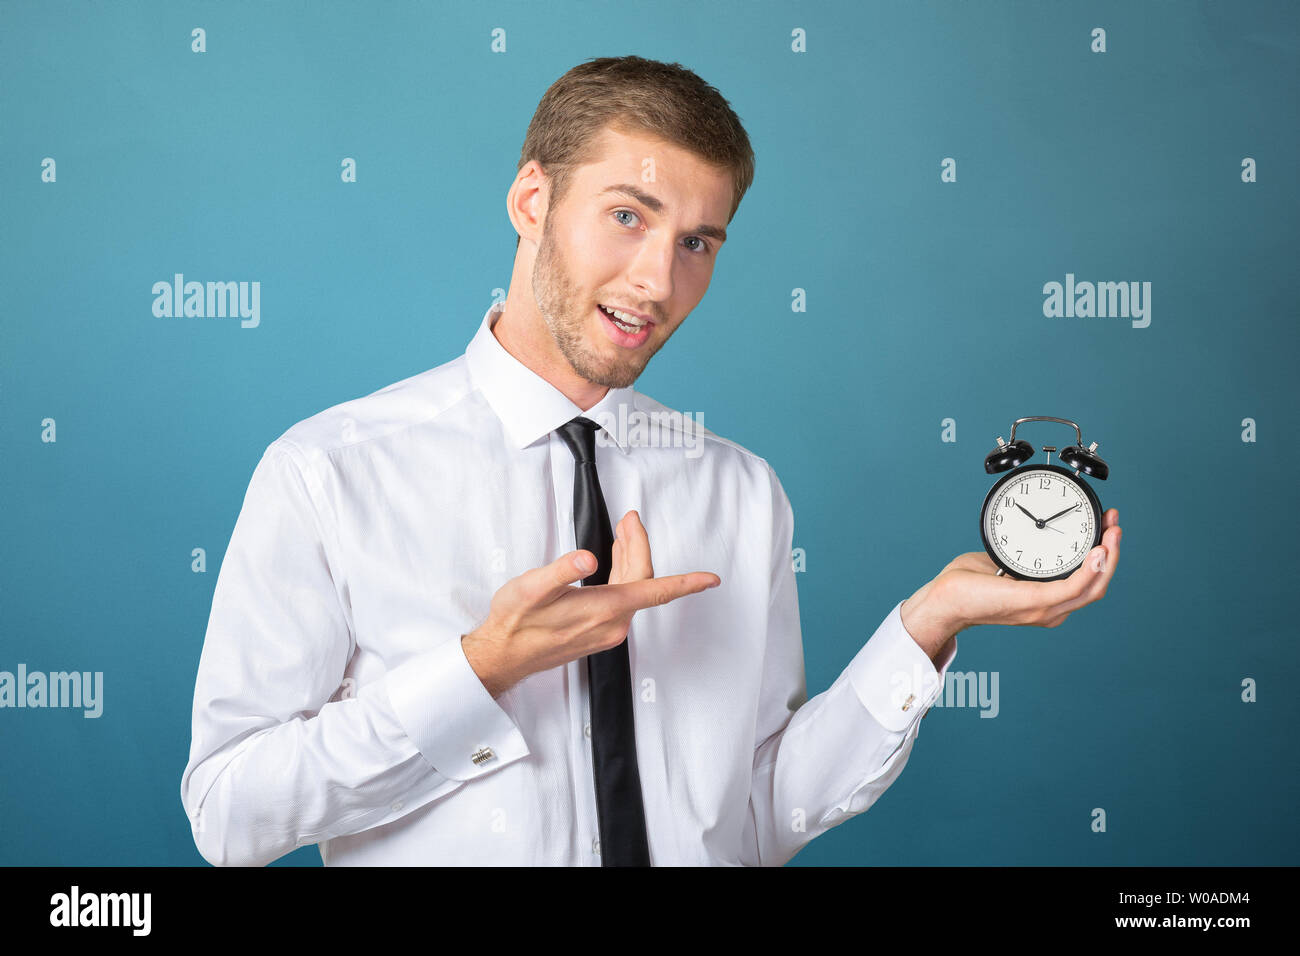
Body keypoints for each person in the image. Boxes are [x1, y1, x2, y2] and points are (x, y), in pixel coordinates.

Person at [180, 55, 1122, 867]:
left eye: (697, 242)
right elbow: (229, 814)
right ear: (532, 199)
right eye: (628, 216)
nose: (657, 282)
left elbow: (758, 815)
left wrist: (929, 624)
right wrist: (481, 670)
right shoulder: (331, 472)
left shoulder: (740, 491)